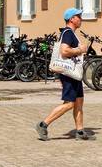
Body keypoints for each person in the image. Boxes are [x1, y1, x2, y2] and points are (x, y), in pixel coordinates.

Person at [36, 8, 89, 140]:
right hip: (69, 74)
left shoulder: (71, 33)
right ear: (72, 19)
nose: (80, 19)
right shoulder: (67, 33)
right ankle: (43, 124)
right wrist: (80, 50)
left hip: (73, 74)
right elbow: (64, 51)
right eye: (78, 16)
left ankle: (80, 131)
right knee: (69, 103)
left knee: (78, 101)